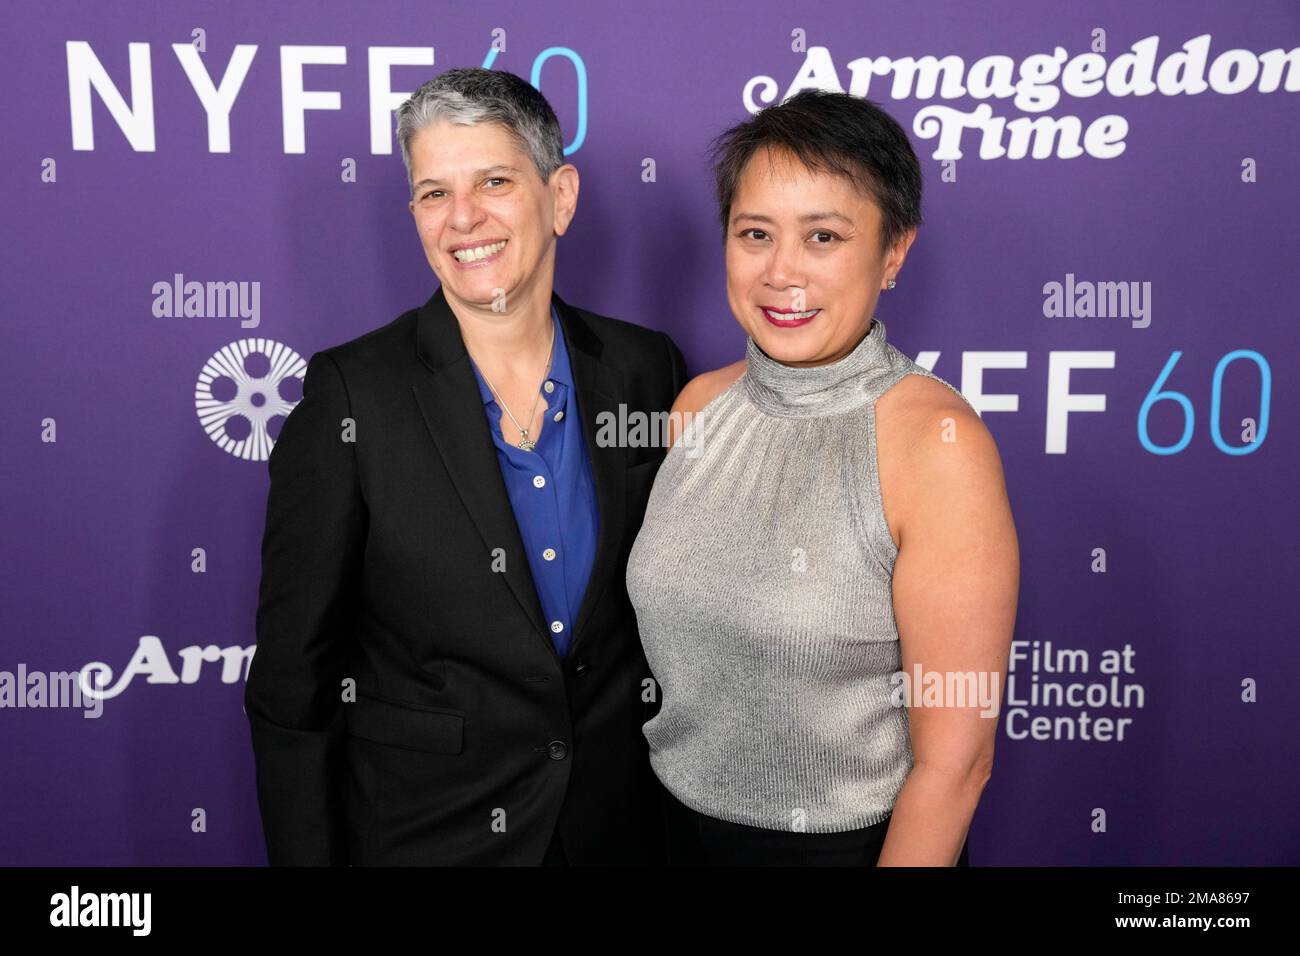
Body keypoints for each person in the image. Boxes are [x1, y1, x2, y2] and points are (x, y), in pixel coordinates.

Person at [246, 67, 686, 865]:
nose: (463, 219)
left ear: (561, 197)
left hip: (616, 833)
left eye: (493, 181)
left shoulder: (645, 369)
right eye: (433, 193)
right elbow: (293, 685)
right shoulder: (352, 395)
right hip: (428, 837)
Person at [626, 90, 1019, 866]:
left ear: (894, 251)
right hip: (665, 832)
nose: (783, 272)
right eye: (755, 234)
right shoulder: (696, 407)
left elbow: (956, 763)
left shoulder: (940, 447)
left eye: (824, 237)